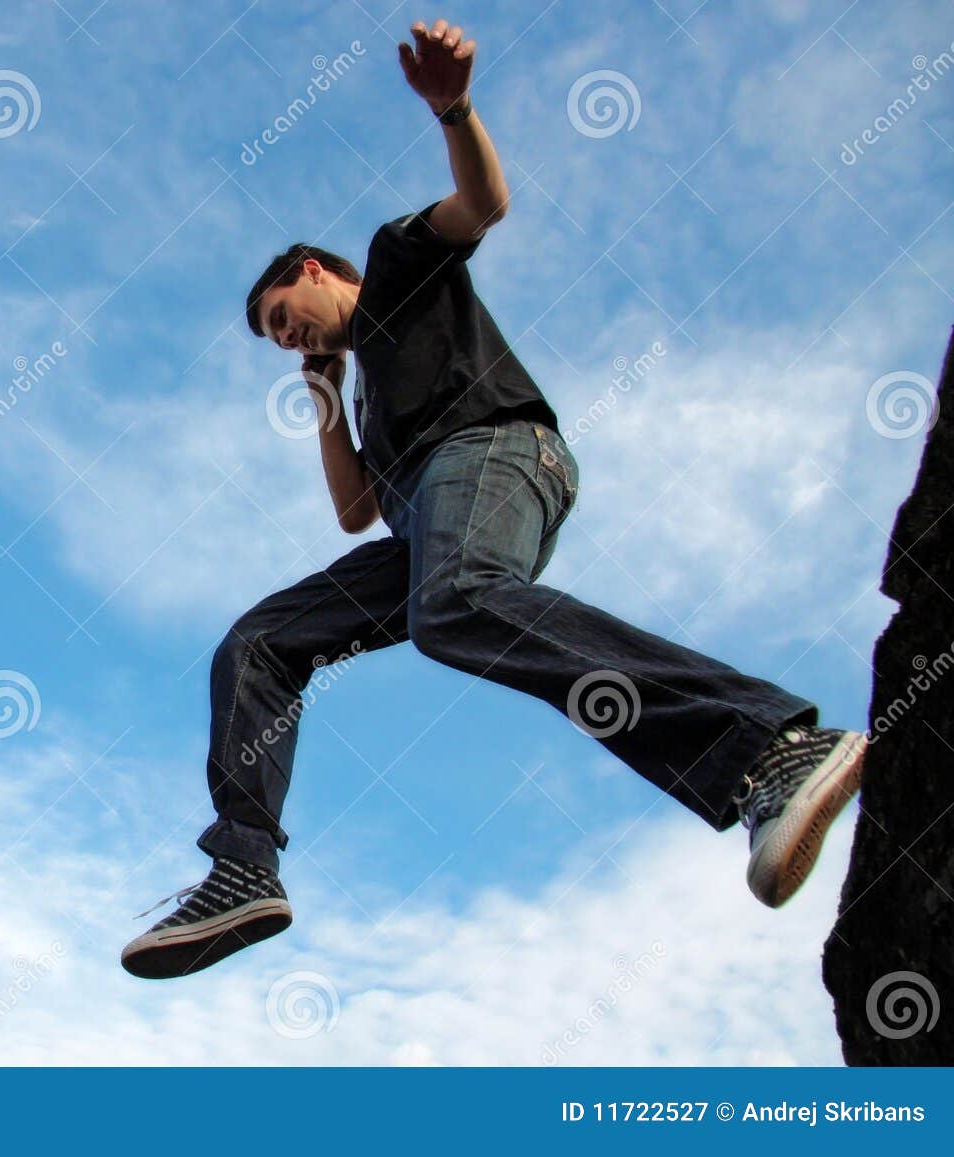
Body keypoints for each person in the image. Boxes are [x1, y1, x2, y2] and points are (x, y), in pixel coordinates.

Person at [120, 17, 867, 981]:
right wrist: (326, 402)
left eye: (281, 318)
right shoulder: (358, 387)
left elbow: (483, 203)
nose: (285, 340)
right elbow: (354, 513)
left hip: (498, 454)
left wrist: (454, 109)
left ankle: (770, 747)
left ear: (313, 273)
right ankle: (243, 866)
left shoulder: (396, 263)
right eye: (275, 340)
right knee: (260, 642)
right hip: (426, 523)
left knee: (454, 602)